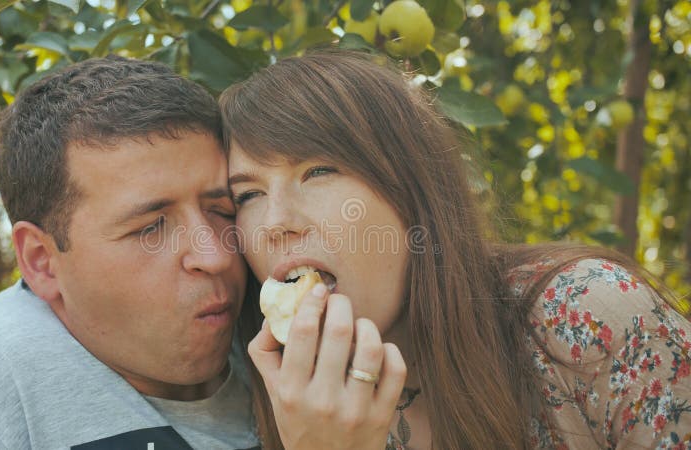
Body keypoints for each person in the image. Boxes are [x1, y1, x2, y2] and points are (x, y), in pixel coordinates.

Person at [220, 50, 691, 449]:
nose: (275, 223)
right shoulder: (262, 395)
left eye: (318, 171)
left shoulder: (586, 316)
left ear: (412, 190)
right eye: (247, 195)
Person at [0, 55, 258, 449]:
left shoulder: (290, 329)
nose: (216, 256)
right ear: (42, 262)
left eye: (222, 210)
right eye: (150, 228)